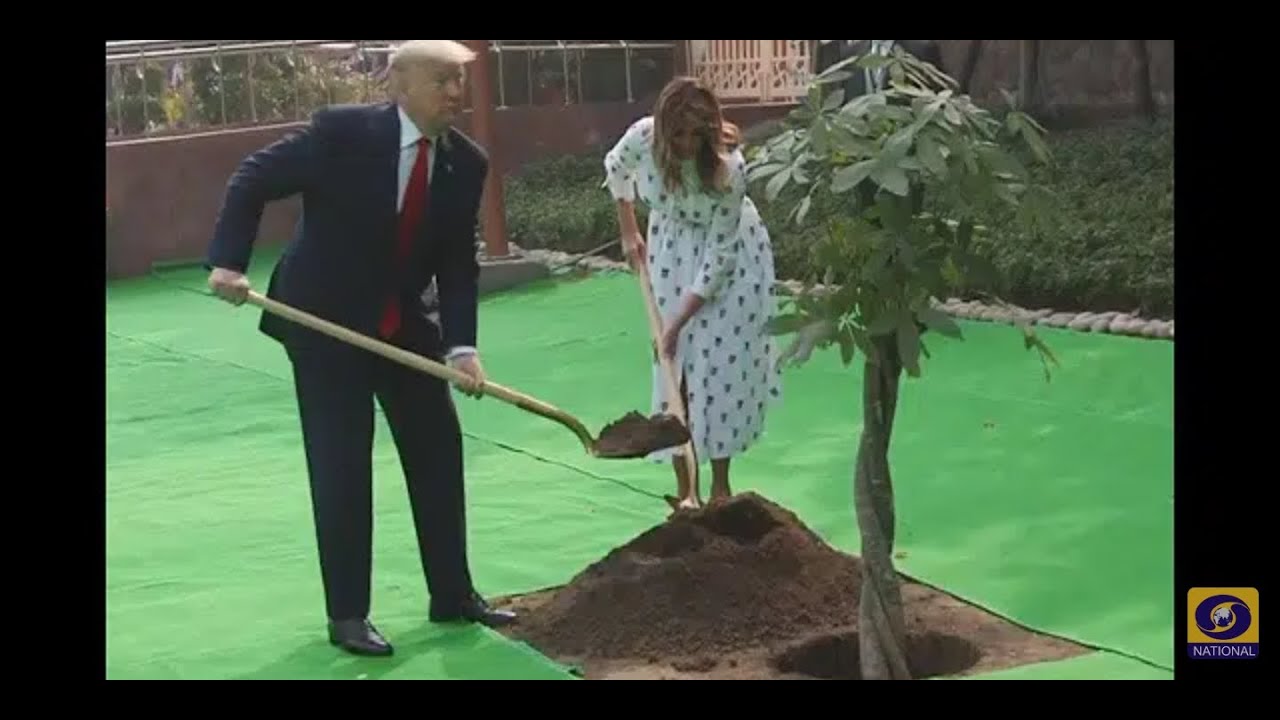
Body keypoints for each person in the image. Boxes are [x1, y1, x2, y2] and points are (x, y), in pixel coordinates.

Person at [204, 40, 515, 658]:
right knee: (342, 463)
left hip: (401, 323)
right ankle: (348, 615)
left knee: (437, 446)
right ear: (400, 82)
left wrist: (460, 348)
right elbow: (252, 178)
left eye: (460, 81)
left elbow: (456, 264)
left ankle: (451, 594)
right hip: (324, 322)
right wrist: (228, 263)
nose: (456, 93)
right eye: (443, 80)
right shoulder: (342, 134)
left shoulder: (466, 162)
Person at [604, 76, 782, 511]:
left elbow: (719, 259)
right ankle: (687, 495)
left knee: (720, 368)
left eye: (695, 134)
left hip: (732, 261)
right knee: (673, 370)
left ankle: (719, 488)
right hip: (668, 248)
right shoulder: (642, 138)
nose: (685, 144)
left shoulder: (728, 167)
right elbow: (615, 168)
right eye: (678, 134)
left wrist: (677, 322)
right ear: (663, 128)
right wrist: (629, 231)